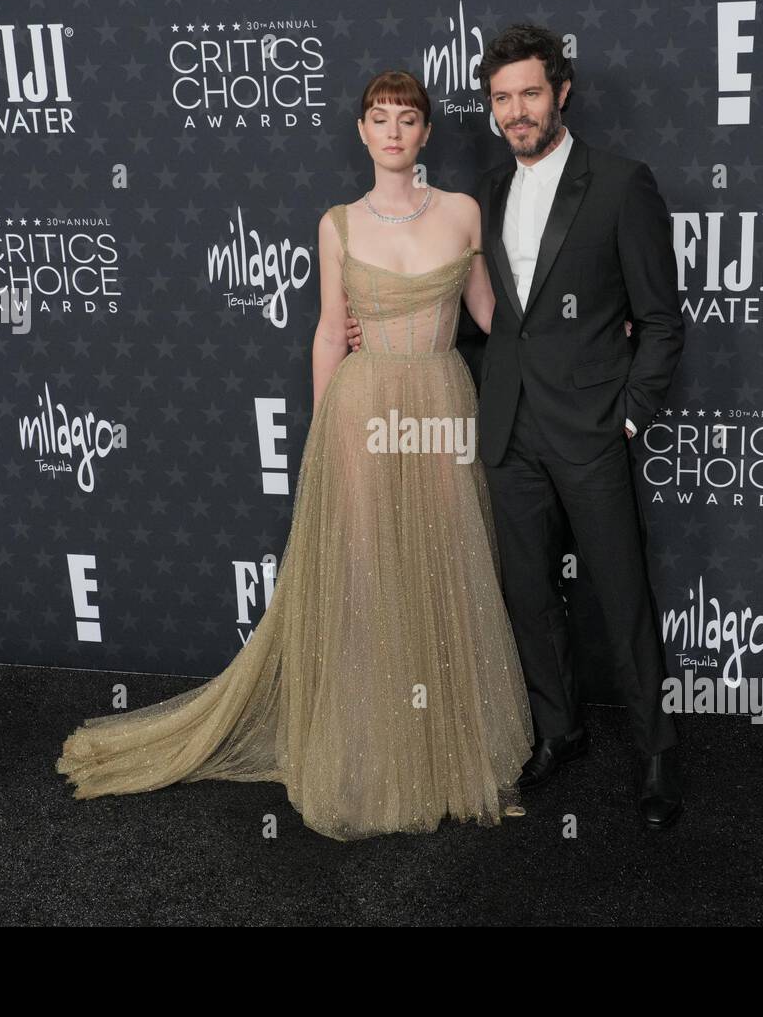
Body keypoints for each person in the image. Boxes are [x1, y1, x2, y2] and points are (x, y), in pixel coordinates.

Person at [56, 70, 534, 843]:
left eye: (407, 119)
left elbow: (493, 317)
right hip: (362, 409)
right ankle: (377, 754)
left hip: (445, 408)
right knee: (373, 576)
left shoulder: (464, 213)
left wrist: (579, 332)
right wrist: (322, 434)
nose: (392, 131)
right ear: (360, 132)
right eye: (378, 118)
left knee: (444, 569)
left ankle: (454, 756)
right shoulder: (338, 224)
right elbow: (326, 330)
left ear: (426, 132)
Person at [347, 24, 686, 830]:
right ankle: (559, 730)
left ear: (562, 93)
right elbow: (495, 320)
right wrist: (381, 327)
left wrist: (630, 419)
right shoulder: (487, 196)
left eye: (530, 93)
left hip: (593, 431)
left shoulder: (621, 184)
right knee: (528, 596)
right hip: (507, 431)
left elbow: (662, 321)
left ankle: (656, 757)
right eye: (502, 98)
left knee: (622, 595)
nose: (516, 111)